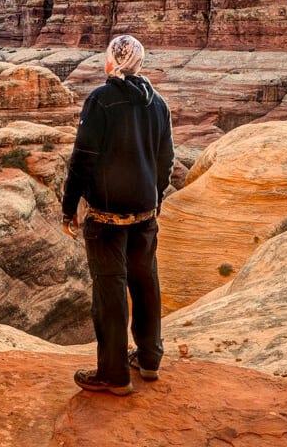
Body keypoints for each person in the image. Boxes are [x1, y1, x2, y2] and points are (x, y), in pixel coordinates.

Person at [62, 34, 174, 395]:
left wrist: (69, 206)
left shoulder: (100, 100)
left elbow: (83, 158)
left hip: (107, 218)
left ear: (111, 61)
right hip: (144, 213)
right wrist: (154, 197)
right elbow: (165, 160)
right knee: (145, 284)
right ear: (138, 63)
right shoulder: (157, 103)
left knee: (110, 291)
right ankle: (149, 358)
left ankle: (114, 375)